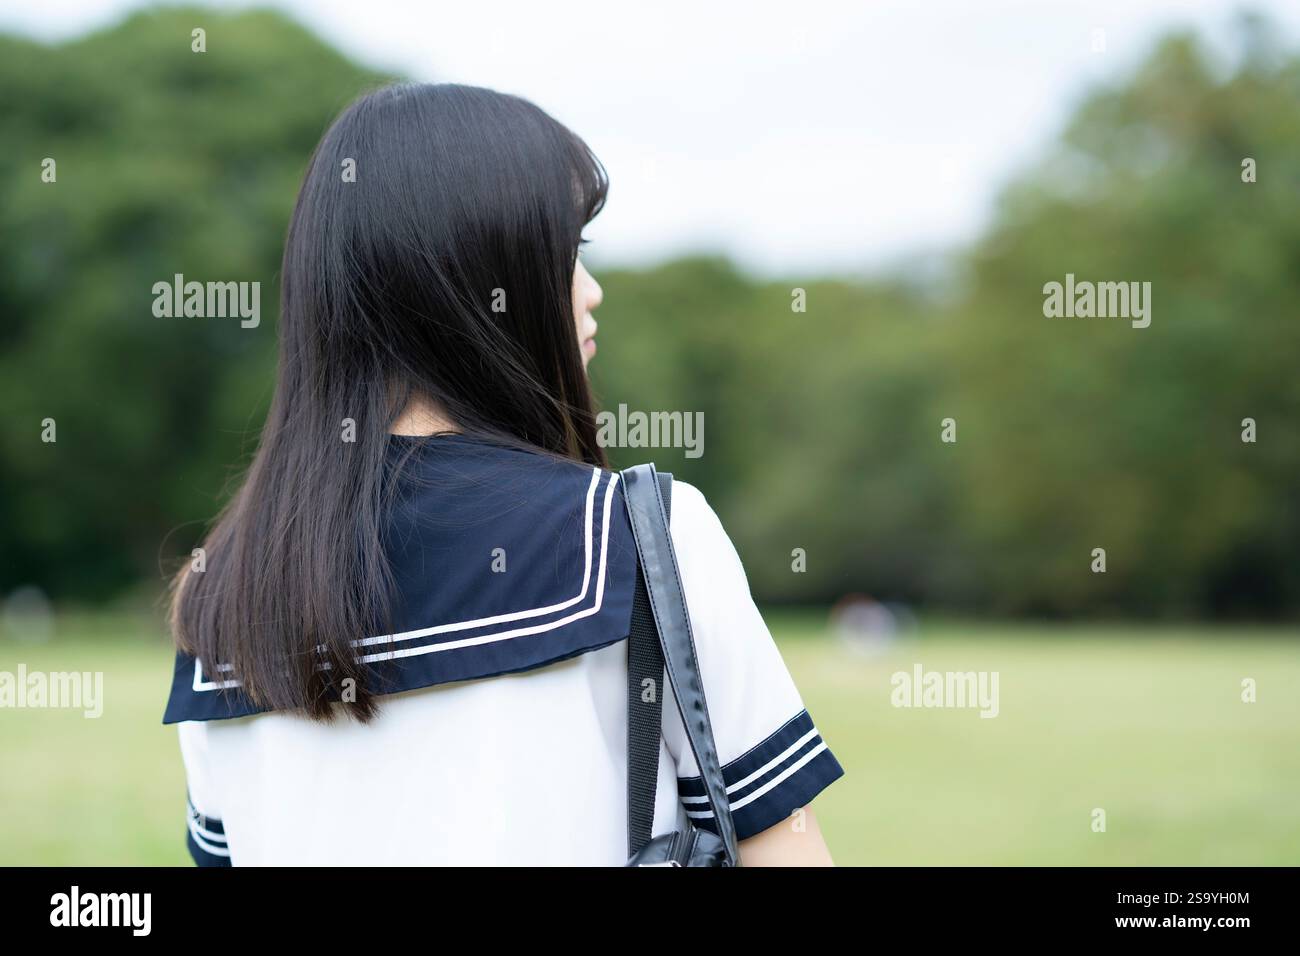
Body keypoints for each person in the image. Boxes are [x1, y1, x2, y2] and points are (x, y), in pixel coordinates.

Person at [163, 82, 843, 866]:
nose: (592, 291)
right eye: (569, 251)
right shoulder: (643, 536)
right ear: (482, 272)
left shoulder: (218, 595)